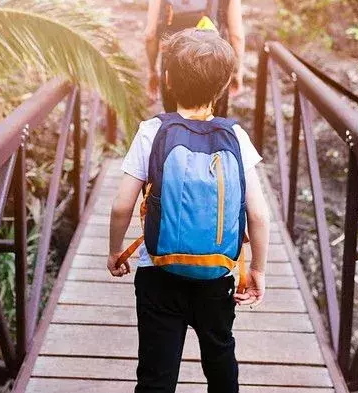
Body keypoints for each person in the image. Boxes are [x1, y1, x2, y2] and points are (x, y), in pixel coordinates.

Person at [108, 28, 270, 393]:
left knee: (156, 372)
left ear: (167, 78)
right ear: (225, 84)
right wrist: (257, 268)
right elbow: (259, 215)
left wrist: (115, 250)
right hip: (217, 277)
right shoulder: (236, 136)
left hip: (157, 274)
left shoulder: (151, 132)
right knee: (220, 357)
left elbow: (122, 205)